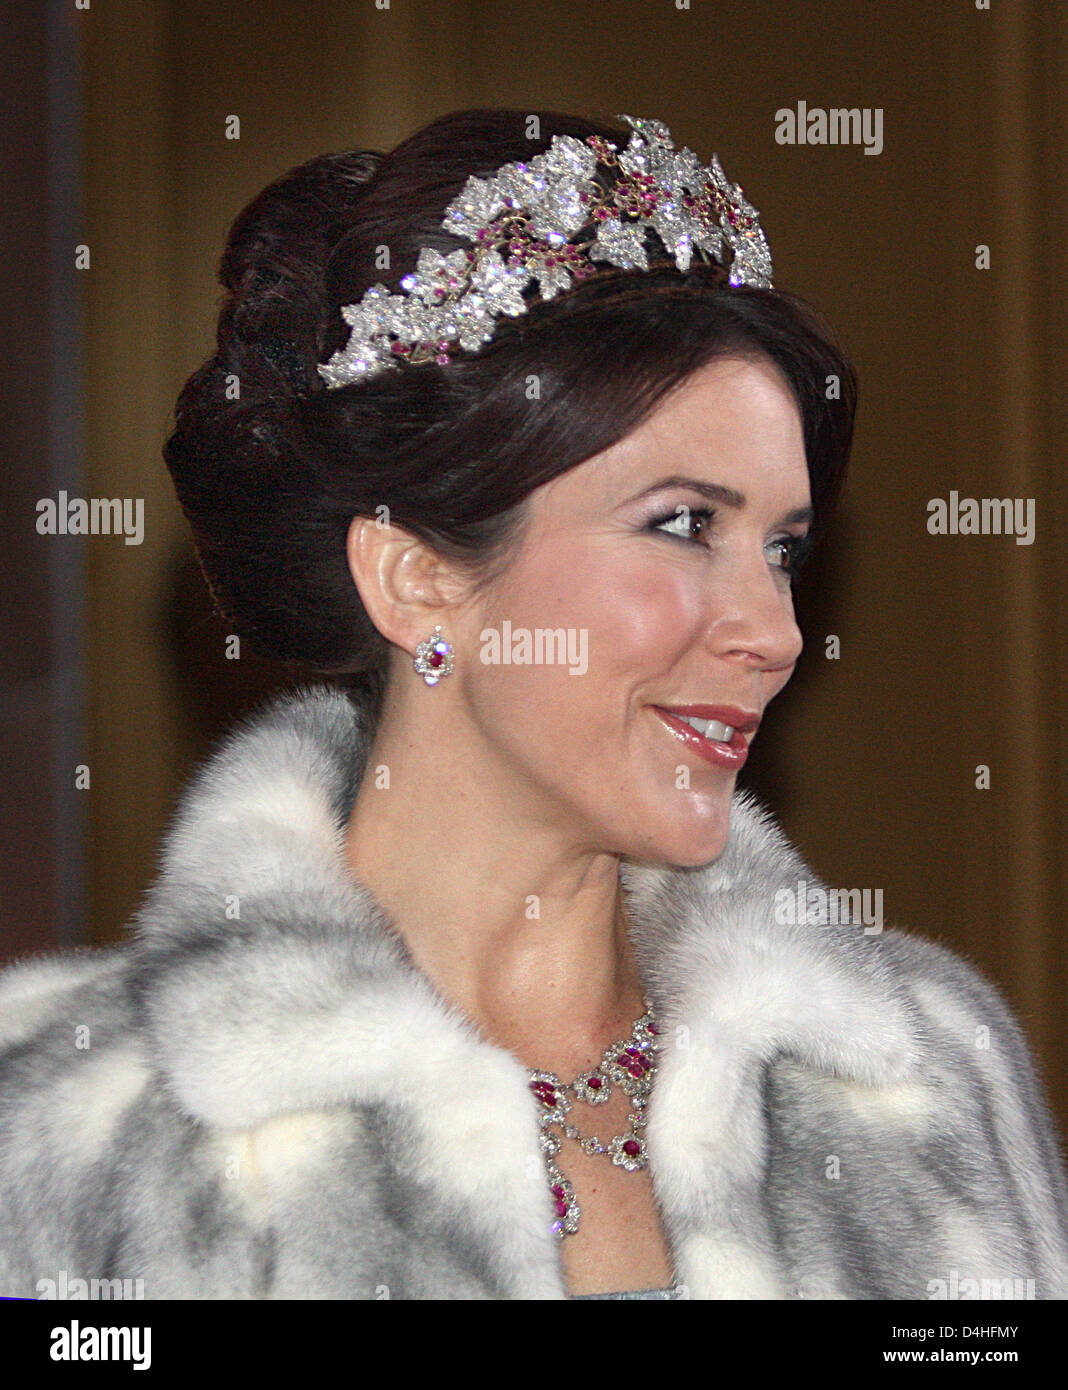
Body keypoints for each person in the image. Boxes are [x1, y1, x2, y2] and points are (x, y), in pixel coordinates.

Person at [1, 108, 1066, 1301]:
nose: (773, 631)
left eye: (783, 548)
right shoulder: (66, 1125)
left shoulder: (929, 1071)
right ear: (417, 577)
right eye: (682, 525)